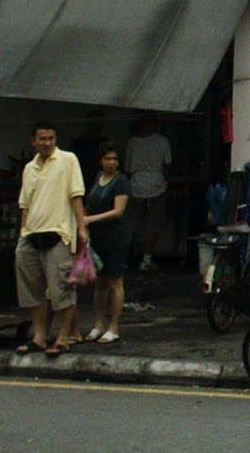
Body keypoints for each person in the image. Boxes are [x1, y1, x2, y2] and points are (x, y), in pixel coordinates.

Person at [14, 122, 89, 358]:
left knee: (61, 289)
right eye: (42, 139)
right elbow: (25, 204)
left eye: (51, 138)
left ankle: (63, 337)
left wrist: (81, 229)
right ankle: (39, 337)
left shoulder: (68, 160)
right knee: (31, 290)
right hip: (31, 233)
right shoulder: (29, 168)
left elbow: (76, 196)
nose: (47, 143)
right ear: (33, 141)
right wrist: (22, 233)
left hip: (59, 233)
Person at [81, 141, 131, 344]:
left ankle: (114, 327)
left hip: (116, 237)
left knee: (114, 282)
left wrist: (91, 219)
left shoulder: (121, 181)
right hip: (97, 238)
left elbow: (118, 211)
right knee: (99, 283)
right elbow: (88, 203)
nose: (111, 162)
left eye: (115, 159)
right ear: (100, 161)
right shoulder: (98, 178)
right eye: (108, 159)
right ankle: (98, 324)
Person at [125, 115, 172, 271]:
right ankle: (146, 259)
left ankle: (131, 257)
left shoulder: (132, 142)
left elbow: (127, 168)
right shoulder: (163, 141)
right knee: (153, 225)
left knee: (135, 224)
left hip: (136, 184)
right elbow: (167, 165)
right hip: (157, 184)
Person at [69, 109, 109, 187]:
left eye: (99, 123)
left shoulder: (107, 143)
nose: (96, 126)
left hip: (102, 183)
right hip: (80, 181)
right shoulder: (77, 143)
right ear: (88, 123)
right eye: (93, 123)